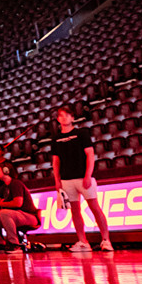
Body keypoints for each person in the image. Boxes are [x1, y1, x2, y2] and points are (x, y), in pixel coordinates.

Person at [47, 107, 113, 253]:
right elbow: (56, 162)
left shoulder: (81, 133)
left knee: (95, 207)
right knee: (75, 212)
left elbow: (90, 154)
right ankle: (83, 242)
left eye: (67, 115)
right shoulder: (55, 139)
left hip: (83, 178)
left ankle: (106, 240)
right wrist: (57, 180)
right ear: (58, 119)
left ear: (72, 118)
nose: (64, 118)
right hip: (66, 180)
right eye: (61, 116)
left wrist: (88, 175)